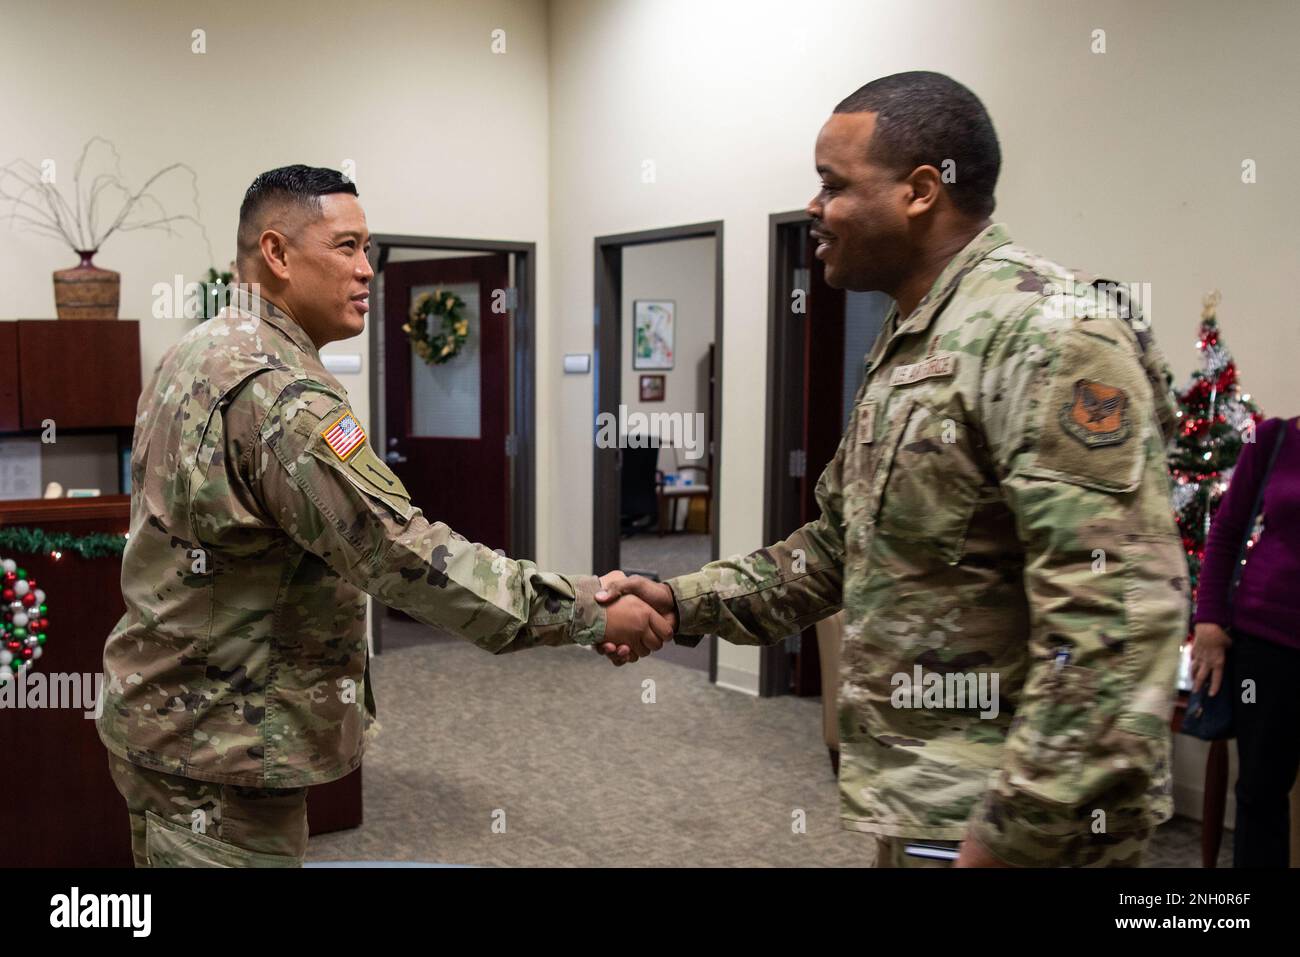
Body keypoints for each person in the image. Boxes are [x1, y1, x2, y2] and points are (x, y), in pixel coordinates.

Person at [597, 71, 1188, 868]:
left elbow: (1116, 622)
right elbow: (837, 548)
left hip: (1018, 830)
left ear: (919, 191)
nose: (814, 207)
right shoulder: (914, 343)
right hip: (926, 805)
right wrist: (679, 597)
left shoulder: (1050, 337)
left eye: (831, 185)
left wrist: (1008, 840)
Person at [99, 165, 673, 867]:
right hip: (224, 752)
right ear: (277, 254)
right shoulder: (281, 393)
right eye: (346, 247)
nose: (367, 270)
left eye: (369, 249)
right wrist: (587, 608)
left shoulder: (193, 352)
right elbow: (402, 555)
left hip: (169, 729)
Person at [1191, 414, 1299, 868]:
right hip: (1267, 643)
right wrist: (1210, 620)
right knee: (1260, 790)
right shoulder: (1274, 437)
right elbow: (1228, 529)